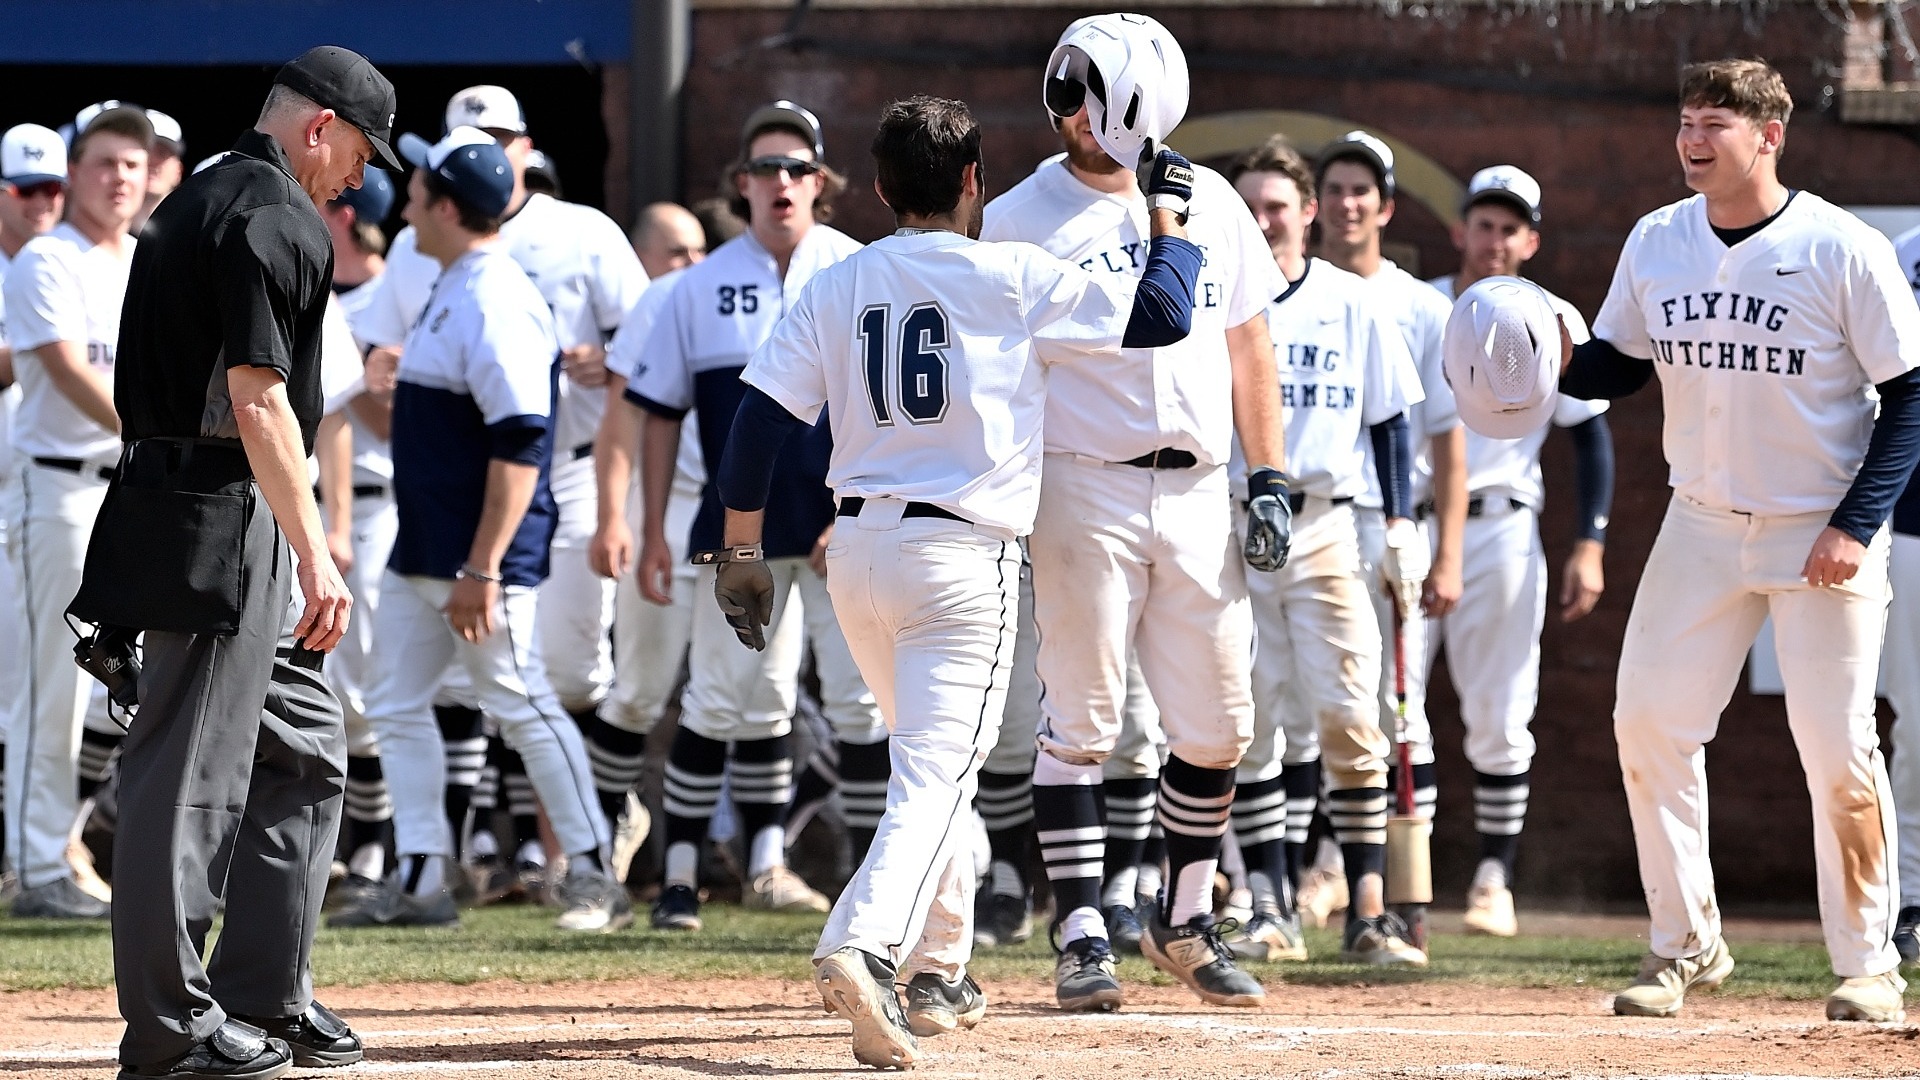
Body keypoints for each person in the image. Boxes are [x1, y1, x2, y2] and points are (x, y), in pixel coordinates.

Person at [712, 92, 1203, 1069]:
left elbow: (758, 423)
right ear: (973, 180)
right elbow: (1164, 314)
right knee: (936, 775)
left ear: (879, 186)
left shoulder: (839, 279)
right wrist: (1168, 216)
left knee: (929, 772)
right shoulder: (1011, 273)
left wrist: (739, 550)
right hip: (961, 558)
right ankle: (865, 944)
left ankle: (940, 968)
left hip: (857, 554)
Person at [1561, 58, 1918, 1023]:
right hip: (1703, 519)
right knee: (1648, 721)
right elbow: (1617, 367)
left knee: (1836, 747)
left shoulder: (1840, 246)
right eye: (1685, 122)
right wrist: (1545, 349)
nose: (1692, 140)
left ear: (1769, 137)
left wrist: (1855, 524)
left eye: (1714, 124)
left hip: (1819, 522)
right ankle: (1684, 944)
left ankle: (1868, 966)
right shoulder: (1657, 239)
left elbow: (1911, 394)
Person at [93, 46, 396, 1078]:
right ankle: (171, 1030)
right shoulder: (270, 211)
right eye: (360, 152)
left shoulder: (211, 192)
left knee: (306, 743)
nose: (361, 176)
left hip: (212, 499)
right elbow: (258, 397)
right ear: (319, 127)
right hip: (217, 510)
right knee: (189, 775)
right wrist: (318, 555)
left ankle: (264, 991)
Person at [980, 12, 1287, 1011]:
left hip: (1198, 486)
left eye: (1088, 99)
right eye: (1063, 97)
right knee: (1083, 721)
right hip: (1083, 482)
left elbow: (1248, 345)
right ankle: (1079, 931)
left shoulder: (1214, 201)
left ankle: (1183, 919)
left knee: (1219, 725)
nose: (1071, 117)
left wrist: (1270, 476)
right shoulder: (1018, 215)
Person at [334, 126, 627, 934]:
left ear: (446, 207)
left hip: (477, 555)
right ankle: (423, 875)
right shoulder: (453, 281)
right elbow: (441, 426)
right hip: (427, 545)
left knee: (519, 699)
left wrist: (485, 566)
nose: (406, 204)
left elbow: (522, 443)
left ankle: (594, 872)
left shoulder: (496, 296)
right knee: (395, 701)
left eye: (420, 190)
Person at [626, 100, 885, 931]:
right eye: (767, 166)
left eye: (797, 167)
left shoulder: (860, 268)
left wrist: (865, 506)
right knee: (720, 698)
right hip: (737, 530)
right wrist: (654, 528)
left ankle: (872, 888)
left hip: (845, 529)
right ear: (741, 182)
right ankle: (680, 879)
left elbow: (885, 411)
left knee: (861, 704)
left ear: (821, 181)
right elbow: (658, 413)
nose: (782, 181)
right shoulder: (695, 287)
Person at [1223, 135, 1426, 966]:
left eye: (1276, 205)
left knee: (1350, 715)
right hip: (1234, 526)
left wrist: (1402, 522)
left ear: (1308, 212)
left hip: (1324, 524)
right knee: (1249, 721)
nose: (1262, 220)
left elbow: (1391, 417)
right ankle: (1270, 908)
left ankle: (1367, 908)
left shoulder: (1354, 300)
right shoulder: (1211, 300)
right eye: (1248, 207)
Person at [1423, 165, 1616, 937]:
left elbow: (1590, 434)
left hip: (1502, 524)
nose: (1495, 239)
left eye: (1511, 228)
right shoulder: (1423, 304)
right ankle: (1349, 872)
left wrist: (1590, 541)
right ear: (1460, 230)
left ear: (1531, 241)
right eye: (1484, 223)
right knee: (1375, 705)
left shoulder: (1554, 316)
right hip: (1413, 523)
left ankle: (1493, 879)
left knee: (1500, 711)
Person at [1305, 130, 1467, 936]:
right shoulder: (1287, 291)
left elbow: (1448, 438)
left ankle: (1405, 895)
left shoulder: (1422, 308)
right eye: (1335, 188)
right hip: (1314, 521)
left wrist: (1449, 552)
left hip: (1393, 526)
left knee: (1399, 708)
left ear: (1387, 207)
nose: (1348, 203)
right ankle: (1323, 877)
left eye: (1362, 190)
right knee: (1315, 709)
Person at [3, 104, 150, 921]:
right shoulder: (46, 257)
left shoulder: (146, 257)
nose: (118, 177)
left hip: (130, 486)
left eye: (132, 163)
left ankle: (65, 850)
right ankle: (36, 866)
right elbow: (64, 368)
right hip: (59, 484)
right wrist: (153, 430)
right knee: (50, 685)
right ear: (75, 173)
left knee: (115, 683)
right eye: (104, 162)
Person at [586, 200, 708, 879]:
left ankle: (732, 862)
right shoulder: (655, 303)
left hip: (741, 517)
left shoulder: (737, 294)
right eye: (677, 251)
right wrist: (615, 517)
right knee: (637, 691)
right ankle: (604, 836)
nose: (693, 263)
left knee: (739, 702)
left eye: (700, 249)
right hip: (663, 509)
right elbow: (620, 420)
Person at [319, 164, 398, 899]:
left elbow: (388, 419)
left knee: (362, 680)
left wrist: (359, 366)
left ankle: (374, 841)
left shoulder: (395, 292)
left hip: (372, 503)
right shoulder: (305, 279)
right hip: (299, 501)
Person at [0, 121, 68, 901]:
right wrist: (44, 343)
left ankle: (44, 851)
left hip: (44, 494)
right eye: (28, 188)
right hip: (22, 493)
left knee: (50, 684)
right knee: (26, 687)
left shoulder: (71, 263)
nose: (42, 201)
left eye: (53, 186)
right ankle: (29, 858)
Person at [134, 108, 184, 234]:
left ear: (178, 171)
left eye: (162, 153)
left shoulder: (190, 234)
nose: (151, 161)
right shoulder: (93, 231)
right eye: (145, 150)